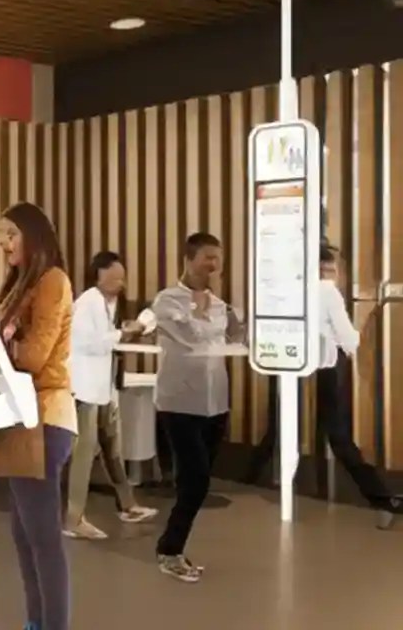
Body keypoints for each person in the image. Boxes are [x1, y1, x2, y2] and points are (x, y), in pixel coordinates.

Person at [245, 245, 402, 520]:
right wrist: (363, 320)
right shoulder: (327, 291)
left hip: (285, 361)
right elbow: (349, 339)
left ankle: (246, 483)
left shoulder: (282, 288)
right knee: (339, 435)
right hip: (326, 364)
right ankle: (382, 500)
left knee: (277, 430)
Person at [0, 202, 76, 630]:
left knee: (43, 541)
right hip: (15, 416)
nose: (3, 242)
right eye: (1, 234)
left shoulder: (52, 281)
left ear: (33, 236)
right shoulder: (17, 284)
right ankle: (35, 623)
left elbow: (36, 356)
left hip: (44, 416)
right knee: (25, 540)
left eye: (11, 233)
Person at [150, 232, 244, 583]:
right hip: (180, 403)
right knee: (196, 480)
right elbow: (192, 338)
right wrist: (199, 312)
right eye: (207, 257)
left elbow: (236, 338)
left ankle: (172, 547)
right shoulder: (167, 301)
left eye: (217, 258)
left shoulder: (220, 305)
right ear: (189, 260)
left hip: (215, 403)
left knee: (197, 480)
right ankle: (169, 550)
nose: (213, 265)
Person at [63, 251, 158, 540]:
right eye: (114, 277)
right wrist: (121, 334)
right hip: (84, 388)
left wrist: (134, 329)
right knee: (83, 454)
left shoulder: (109, 303)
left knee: (111, 448)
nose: (120, 282)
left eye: (122, 277)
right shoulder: (87, 303)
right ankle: (73, 518)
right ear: (98, 275)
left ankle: (127, 505)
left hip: (103, 388)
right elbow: (87, 343)